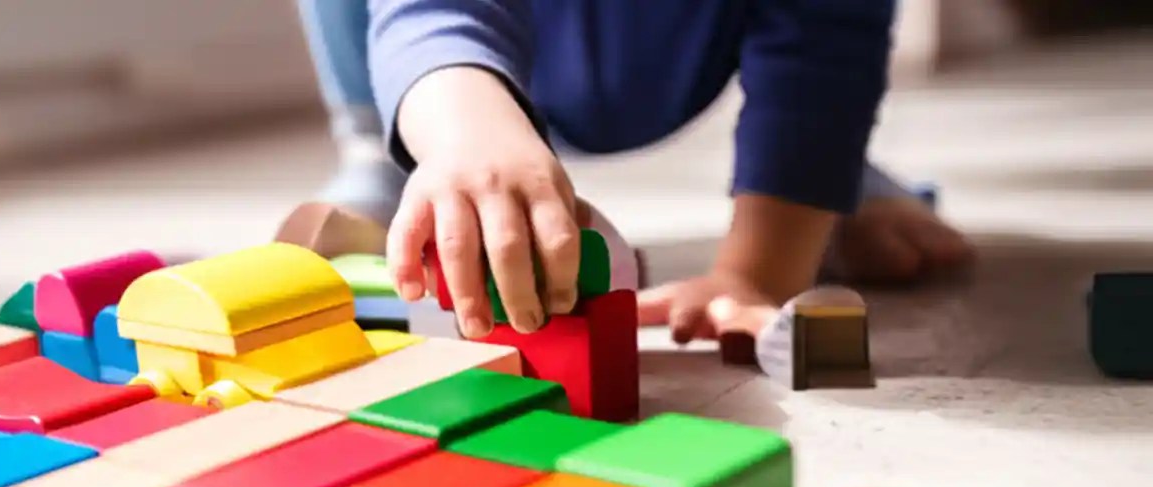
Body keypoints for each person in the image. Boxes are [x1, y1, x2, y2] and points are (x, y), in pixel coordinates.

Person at [294, 0, 972, 344]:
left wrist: (758, 273)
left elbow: (825, 39)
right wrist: (462, 126)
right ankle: (379, 148)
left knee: (816, 125)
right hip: (455, 58)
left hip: (672, 44)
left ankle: (829, 176)